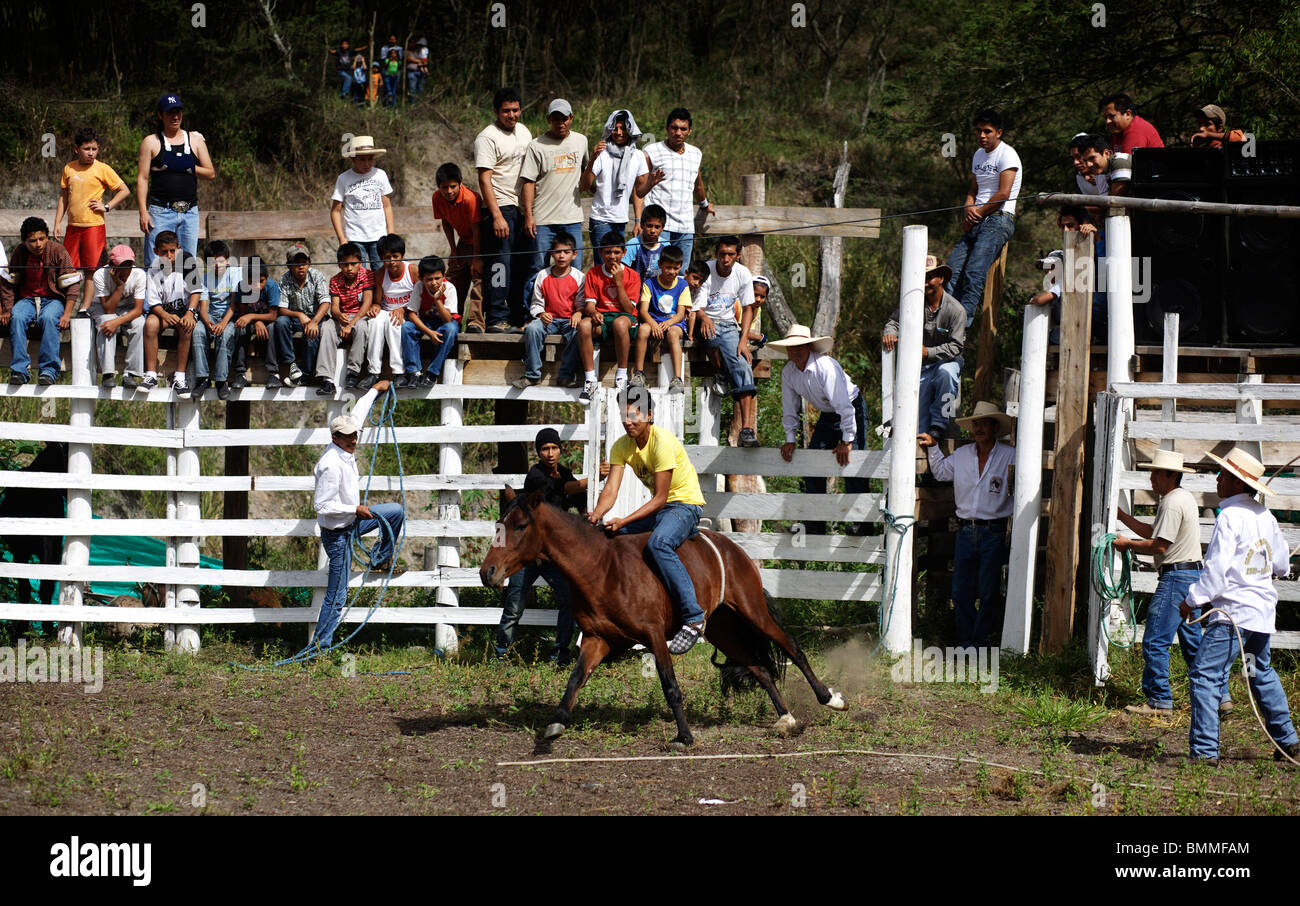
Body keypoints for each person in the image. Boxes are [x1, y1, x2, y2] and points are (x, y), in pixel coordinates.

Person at [1181, 447, 1300, 765]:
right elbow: (1281, 565)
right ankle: (1288, 741)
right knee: (1259, 671)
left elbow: (1216, 572)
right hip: (1259, 615)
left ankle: (1205, 751)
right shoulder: (1266, 516)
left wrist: (1192, 600)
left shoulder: (1230, 517)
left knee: (1205, 676)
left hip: (1231, 615)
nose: (1217, 481)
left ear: (1235, 482)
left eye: (1222, 475)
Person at [590, 386, 708, 654]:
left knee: (659, 544)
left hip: (684, 505)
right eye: (624, 416)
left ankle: (693, 617)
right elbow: (611, 490)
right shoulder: (621, 446)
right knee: (608, 535)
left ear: (650, 415)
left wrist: (624, 520)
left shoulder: (662, 442)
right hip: (662, 509)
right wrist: (597, 516)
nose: (628, 422)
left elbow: (660, 498)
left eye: (634, 415)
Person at [1114, 448, 1231, 717]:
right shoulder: (1182, 498)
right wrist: (1124, 518)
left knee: (1155, 640)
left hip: (1176, 576)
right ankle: (1220, 695)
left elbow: (1160, 546)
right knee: (1193, 645)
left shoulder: (1171, 502)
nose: (1151, 478)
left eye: (1155, 473)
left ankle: (1158, 700)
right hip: (1191, 576)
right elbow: (1157, 533)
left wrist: (1126, 545)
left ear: (1169, 475)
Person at [312, 379, 403, 649]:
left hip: (352, 522)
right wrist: (355, 508)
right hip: (338, 533)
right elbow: (321, 505)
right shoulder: (330, 465)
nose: (354, 439)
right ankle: (320, 646)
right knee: (337, 595)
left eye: (355, 435)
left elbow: (358, 413)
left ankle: (380, 558)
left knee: (395, 512)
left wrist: (375, 389)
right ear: (335, 438)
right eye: (349, 437)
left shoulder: (345, 442)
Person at [919, 401, 1015, 648]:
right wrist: (933, 447)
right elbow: (940, 472)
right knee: (960, 591)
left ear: (995, 427)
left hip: (994, 530)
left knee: (988, 590)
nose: (979, 428)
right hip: (965, 529)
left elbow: (1020, 486)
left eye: (984, 423)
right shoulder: (961, 455)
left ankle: (980, 642)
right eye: (976, 424)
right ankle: (966, 641)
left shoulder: (1010, 455)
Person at [495, 427, 596, 663]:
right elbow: (563, 489)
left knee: (569, 602)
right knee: (513, 608)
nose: (550, 453)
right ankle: (502, 656)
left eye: (553, 448)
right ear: (538, 452)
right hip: (528, 555)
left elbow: (581, 502)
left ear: (560, 450)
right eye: (544, 449)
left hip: (553, 555)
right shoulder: (535, 476)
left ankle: (559, 655)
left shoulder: (565, 473)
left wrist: (589, 517)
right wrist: (592, 479)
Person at [773, 323, 869, 535]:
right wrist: (790, 438)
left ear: (809, 347)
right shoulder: (788, 372)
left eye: (799, 346)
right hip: (828, 413)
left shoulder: (825, 366)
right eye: (791, 347)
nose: (795, 351)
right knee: (812, 464)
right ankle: (815, 525)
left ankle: (864, 524)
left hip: (851, 407)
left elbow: (845, 406)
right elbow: (790, 407)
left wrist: (847, 441)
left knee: (853, 464)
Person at [945, 109, 1021, 324]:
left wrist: (975, 213)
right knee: (951, 270)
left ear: (999, 132)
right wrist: (968, 208)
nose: (982, 136)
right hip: (977, 218)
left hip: (998, 219)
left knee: (974, 272)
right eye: (978, 131)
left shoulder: (1008, 154)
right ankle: (946, 321)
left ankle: (962, 326)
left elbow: (1003, 193)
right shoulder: (978, 155)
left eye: (987, 131)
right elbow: (973, 190)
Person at [688, 236, 761, 446]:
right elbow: (699, 309)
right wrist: (705, 318)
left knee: (743, 366)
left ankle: (747, 429)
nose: (726, 259)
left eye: (730, 254)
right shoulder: (707, 271)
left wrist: (743, 340)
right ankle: (720, 369)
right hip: (705, 320)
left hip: (729, 325)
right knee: (710, 335)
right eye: (722, 254)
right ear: (716, 254)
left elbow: (748, 308)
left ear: (738, 255)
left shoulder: (743, 273)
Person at [884, 255, 965, 441]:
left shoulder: (956, 310)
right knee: (916, 413)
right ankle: (920, 450)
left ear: (941, 279)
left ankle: (939, 425)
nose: (925, 283)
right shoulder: (913, 303)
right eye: (921, 278)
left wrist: (929, 352)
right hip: (921, 366)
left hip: (946, 361)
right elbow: (893, 321)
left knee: (947, 373)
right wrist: (889, 332)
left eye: (930, 278)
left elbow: (956, 346)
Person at [475, 87, 531, 331]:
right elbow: (484, 179)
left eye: (516, 110)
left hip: (522, 208)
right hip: (501, 207)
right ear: (496, 111)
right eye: (506, 111)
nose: (512, 115)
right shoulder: (487, 137)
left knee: (521, 264)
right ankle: (496, 317)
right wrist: (496, 216)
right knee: (500, 265)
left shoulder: (525, 132)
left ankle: (517, 317)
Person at [136, 93, 214, 266]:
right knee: (157, 265)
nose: (175, 116)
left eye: (178, 111)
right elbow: (142, 178)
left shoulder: (195, 140)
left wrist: (189, 167)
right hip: (160, 212)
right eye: (170, 112)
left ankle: (185, 294)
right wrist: (143, 212)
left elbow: (210, 173)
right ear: (160, 115)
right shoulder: (151, 142)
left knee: (187, 265)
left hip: (190, 212)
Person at [0, 217, 80, 386]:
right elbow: (8, 282)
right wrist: (7, 309)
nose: (38, 244)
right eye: (32, 241)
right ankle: (20, 370)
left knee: (50, 319)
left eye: (41, 239)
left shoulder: (58, 251)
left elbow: (72, 283)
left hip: (52, 299)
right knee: (17, 317)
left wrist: (67, 313)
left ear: (47, 236)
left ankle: (49, 371)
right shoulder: (19, 253)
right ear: (24, 241)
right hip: (27, 299)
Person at [635, 107, 715, 265]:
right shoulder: (651, 151)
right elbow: (639, 189)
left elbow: (697, 184)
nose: (678, 132)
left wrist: (704, 204)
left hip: (685, 226)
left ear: (689, 131)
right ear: (667, 128)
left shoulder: (695, 153)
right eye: (674, 128)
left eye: (683, 129)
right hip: (658, 226)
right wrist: (638, 221)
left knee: (681, 272)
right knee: (654, 270)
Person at [521, 98, 589, 274]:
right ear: (548, 120)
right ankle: (534, 302)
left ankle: (574, 302)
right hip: (543, 219)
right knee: (538, 267)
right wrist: (529, 215)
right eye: (556, 119)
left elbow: (587, 175)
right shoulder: (536, 146)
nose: (560, 123)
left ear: (571, 118)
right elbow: (528, 182)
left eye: (564, 118)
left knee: (575, 268)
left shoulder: (581, 141)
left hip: (572, 218)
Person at [54, 127, 130, 277]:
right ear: (76, 149)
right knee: (68, 270)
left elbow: (124, 190)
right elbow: (64, 197)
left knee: (93, 270)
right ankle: (71, 301)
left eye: (94, 149)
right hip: (73, 227)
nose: (91, 152)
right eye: (86, 148)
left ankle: (88, 302)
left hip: (94, 227)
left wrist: (106, 207)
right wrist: (57, 222)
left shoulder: (103, 168)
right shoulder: (69, 168)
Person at [513, 232, 583, 389]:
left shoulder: (579, 277)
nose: (562, 256)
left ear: (574, 254)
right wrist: (540, 313)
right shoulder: (542, 275)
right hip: (549, 320)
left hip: (569, 320)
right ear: (552, 253)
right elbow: (536, 303)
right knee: (532, 329)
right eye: (558, 252)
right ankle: (532, 375)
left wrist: (578, 312)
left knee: (579, 332)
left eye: (566, 252)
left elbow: (581, 303)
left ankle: (566, 375)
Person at [577, 236, 641, 403]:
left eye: (616, 252)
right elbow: (590, 305)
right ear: (601, 253)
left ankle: (622, 376)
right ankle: (590, 379)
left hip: (624, 318)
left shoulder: (632, 275)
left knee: (620, 323)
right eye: (608, 252)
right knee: (584, 325)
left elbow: (629, 309)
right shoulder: (593, 273)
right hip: (603, 318)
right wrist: (593, 313)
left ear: (624, 252)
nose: (612, 256)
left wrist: (618, 281)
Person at [78, 244, 146, 390]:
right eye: (122, 265)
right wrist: (119, 286)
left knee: (139, 324)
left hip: (126, 309)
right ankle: (108, 373)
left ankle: (131, 374)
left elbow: (138, 310)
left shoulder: (139, 274)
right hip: (101, 307)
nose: (126, 270)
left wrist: (117, 322)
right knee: (106, 322)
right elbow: (108, 309)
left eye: (129, 265)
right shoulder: (100, 275)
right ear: (111, 266)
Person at [141, 230, 199, 395]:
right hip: (164, 312)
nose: (169, 255)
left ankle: (180, 377)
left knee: (187, 327)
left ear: (178, 249)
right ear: (156, 252)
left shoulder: (187, 261)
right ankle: (151, 375)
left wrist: (190, 313)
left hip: (185, 311)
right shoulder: (153, 268)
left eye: (172, 251)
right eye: (164, 252)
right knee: (150, 324)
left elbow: (196, 291)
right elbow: (154, 303)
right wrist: (166, 315)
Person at [582, 109, 646, 252]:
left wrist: (638, 221)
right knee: (602, 266)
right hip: (600, 220)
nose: (618, 132)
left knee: (616, 264)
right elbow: (585, 185)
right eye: (615, 128)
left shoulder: (638, 155)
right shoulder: (602, 153)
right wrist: (592, 158)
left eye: (623, 128)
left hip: (621, 221)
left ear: (630, 129)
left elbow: (640, 191)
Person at [432, 162, 485, 333]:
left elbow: (477, 229)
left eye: (453, 186)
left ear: (460, 183)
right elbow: (446, 222)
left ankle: (475, 322)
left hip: (480, 242)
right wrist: (453, 251)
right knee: (453, 277)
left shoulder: (470, 198)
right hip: (462, 242)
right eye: (444, 187)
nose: (449, 191)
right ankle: (453, 318)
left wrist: (476, 258)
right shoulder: (437, 198)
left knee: (478, 278)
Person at [630, 243, 688, 394]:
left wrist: (667, 323)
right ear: (660, 265)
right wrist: (654, 324)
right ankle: (639, 373)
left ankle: (677, 378)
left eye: (676, 268)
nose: (672, 272)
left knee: (673, 334)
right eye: (668, 267)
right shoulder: (649, 283)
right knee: (643, 330)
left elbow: (680, 314)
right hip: (653, 320)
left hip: (674, 322)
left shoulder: (682, 285)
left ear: (680, 267)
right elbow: (643, 311)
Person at [331, 136, 393, 273]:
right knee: (358, 274)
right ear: (353, 159)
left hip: (378, 235)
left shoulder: (380, 175)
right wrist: (342, 238)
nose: (367, 163)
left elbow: (387, 205)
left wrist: (391, 233)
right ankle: (362, 296)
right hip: (355, 236)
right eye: (362, 159)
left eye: (370, 159)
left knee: (381, 272)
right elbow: (336, 210)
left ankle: (380, 295)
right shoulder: (343, 179)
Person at [273, 243, 330, 391]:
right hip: (295, 317)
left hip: (316, 316)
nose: (301, 267)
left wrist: (314, 321)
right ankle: (291, 362)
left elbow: (325, 302)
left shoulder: (317, 276)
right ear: (289, 266)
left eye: (303, 263)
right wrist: (299, 315)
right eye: (296, 263)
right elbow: (282, 308)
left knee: (311, 336)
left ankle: (305, 374)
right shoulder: (285, 279)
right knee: (280, 323)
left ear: (308, 263)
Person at [323, 243, 376, 394]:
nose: (349, 268)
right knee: (327, 328)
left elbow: (366, 305)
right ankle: (326, 378)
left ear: (360, 263)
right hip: (343, 317)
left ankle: (352, 372)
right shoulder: (335, 280)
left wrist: (350, 324)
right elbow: (334, 307)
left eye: (353, 264)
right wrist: (340, 316)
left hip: (360, 316)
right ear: (339, 265)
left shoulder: (367, 275)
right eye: (345, 265)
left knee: (361, 327)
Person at [400, 255, 460, 387]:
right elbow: (412, 314)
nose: (434, 283)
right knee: (407, 328)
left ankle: (432, 372)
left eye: (437, 278)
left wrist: (437, 300)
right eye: (429, 279)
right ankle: (414, 371)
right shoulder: (419, 287)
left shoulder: (449, 288)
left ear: (443, 276)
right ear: (422, 278)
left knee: (451, 329)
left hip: (444, 322)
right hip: (426, 322)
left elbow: (448, 320)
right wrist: (429, 332)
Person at [230, 257, 287, 390]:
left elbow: (273, 315)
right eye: (251, 282)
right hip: (252, 322)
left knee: (273, 328)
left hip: (267, 322)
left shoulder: (271, 287)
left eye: (261, 281)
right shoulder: (242, 287)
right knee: (240, 327)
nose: (257, 286)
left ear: (266, 278)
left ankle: (274, 373)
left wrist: (254, 317)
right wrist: (255, 320)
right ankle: (240, 372)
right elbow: (243, 313)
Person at [193, 239, 241, 399]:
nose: (218, 265)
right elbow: (204, 306)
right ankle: (202, 378)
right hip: (212, 315)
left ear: (227, 261)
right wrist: (207, 322)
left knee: (226, 334)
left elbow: (234, 304)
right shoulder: (205, 278)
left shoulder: (235, 273)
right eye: (213, 262)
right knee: (198, 331)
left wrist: (223, 323)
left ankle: (221, 380)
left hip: (229, 316)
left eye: (221, 261)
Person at [367, 233, 415, 389]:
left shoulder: (412, 271)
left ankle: (399, 372)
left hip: (409, 312)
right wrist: (375, 307)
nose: (392, 261)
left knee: (394, 322)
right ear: (381, 258)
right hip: (387, 311)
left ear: (403, 255)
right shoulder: (380, 274)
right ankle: (373, 372)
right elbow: (378, 301)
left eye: (396, 256)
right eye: (387, 257)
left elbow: (422, 298)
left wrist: (403, 309)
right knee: (374, 321)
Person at [621, 204, 667, 282]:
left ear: (662, 228)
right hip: (636, 290)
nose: (653, 230)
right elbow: (623, 271)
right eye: (649, 226)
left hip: (657, 290)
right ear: (642, 225)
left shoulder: (666, 246)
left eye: (657, 227)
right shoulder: (632, 245)